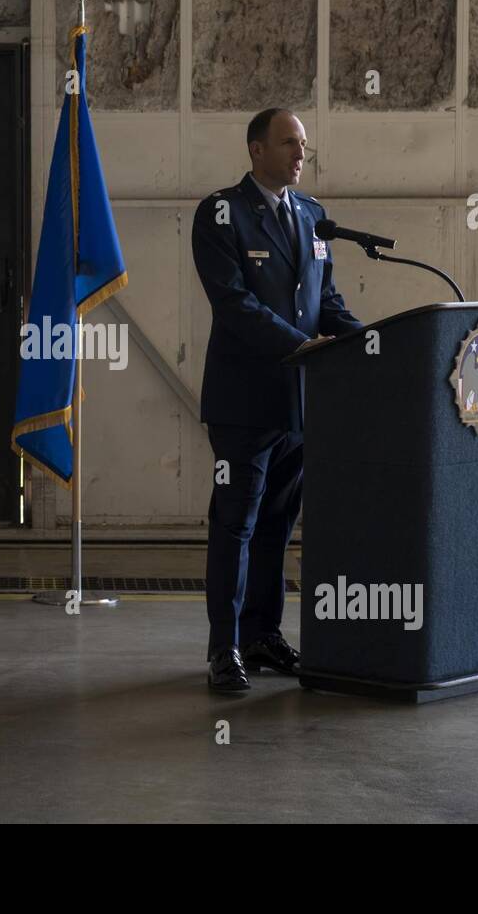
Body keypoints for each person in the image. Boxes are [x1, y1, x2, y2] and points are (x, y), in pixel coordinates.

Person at [191, 108, 365, 692]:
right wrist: (301, 344)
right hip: (243, 405)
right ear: (255, 150)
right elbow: (234, 304)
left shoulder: (313, 216)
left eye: (304, 145)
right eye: (289, 143)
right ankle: (225, 648)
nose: (299, 154)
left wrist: (367, 341)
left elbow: (327, 301)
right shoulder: (221, 213)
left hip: (299, 404)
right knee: (234, 525)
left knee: (276, 527)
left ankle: (264, 635)